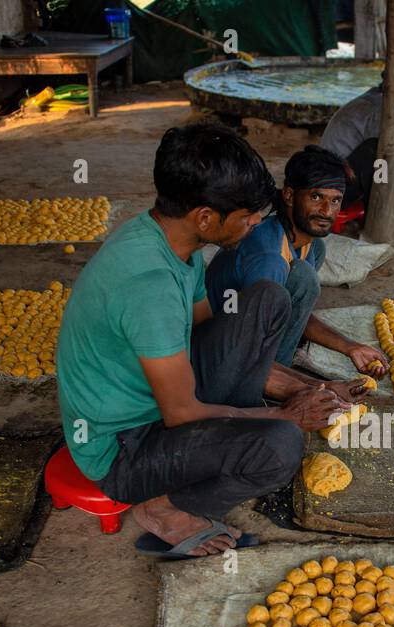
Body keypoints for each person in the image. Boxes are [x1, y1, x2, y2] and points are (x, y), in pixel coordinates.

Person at [56, 123, 345, 559]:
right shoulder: (149, 287)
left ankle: (243, 428)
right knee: (281, 446)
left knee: (268, 298)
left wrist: (301, 387)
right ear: (206, 217)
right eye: (247, 215)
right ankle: (165, 509)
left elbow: (206, 325)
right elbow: (181, 413)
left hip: (163, 396)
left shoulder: (171, 242)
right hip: (123, 447)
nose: (255, 224)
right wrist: (283, 416)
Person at [206, 145, 389, 389]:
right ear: (290, 196)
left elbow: (294, 312)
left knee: (308, 267)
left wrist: (350, 347)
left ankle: (279, 370)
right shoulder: (269, 259)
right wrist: (309, 388)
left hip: (252, 331)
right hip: (220, 349)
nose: (326, 211)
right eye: (316, 198)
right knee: (304, 278)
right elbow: (248, 343)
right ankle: (270, 381)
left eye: (335, 201)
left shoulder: (308, 243)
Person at [319, 77, 394, 226]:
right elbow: (383, 166)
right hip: (332, 192)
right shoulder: (380, 111)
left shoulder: (373, 99)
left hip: (334, 178)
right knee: (378, 152)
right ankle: (379, 221)